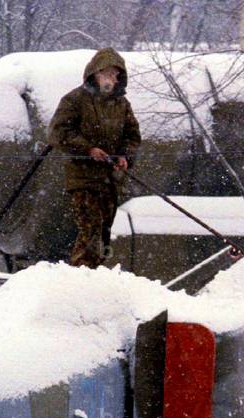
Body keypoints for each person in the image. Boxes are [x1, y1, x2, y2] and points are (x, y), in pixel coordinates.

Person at [48, 48, 141, 268]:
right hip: (83, 178)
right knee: (91, 229)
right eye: (109, 73)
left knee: (104, 233)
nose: (113, 79)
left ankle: (94, 274)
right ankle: (82, 275)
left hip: (110, 180)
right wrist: (89, 149)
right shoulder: (75, 100)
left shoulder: (121, 104)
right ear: (96, 73)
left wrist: (124, 156)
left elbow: (132, 135)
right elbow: (58, 133)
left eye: (117, 75)